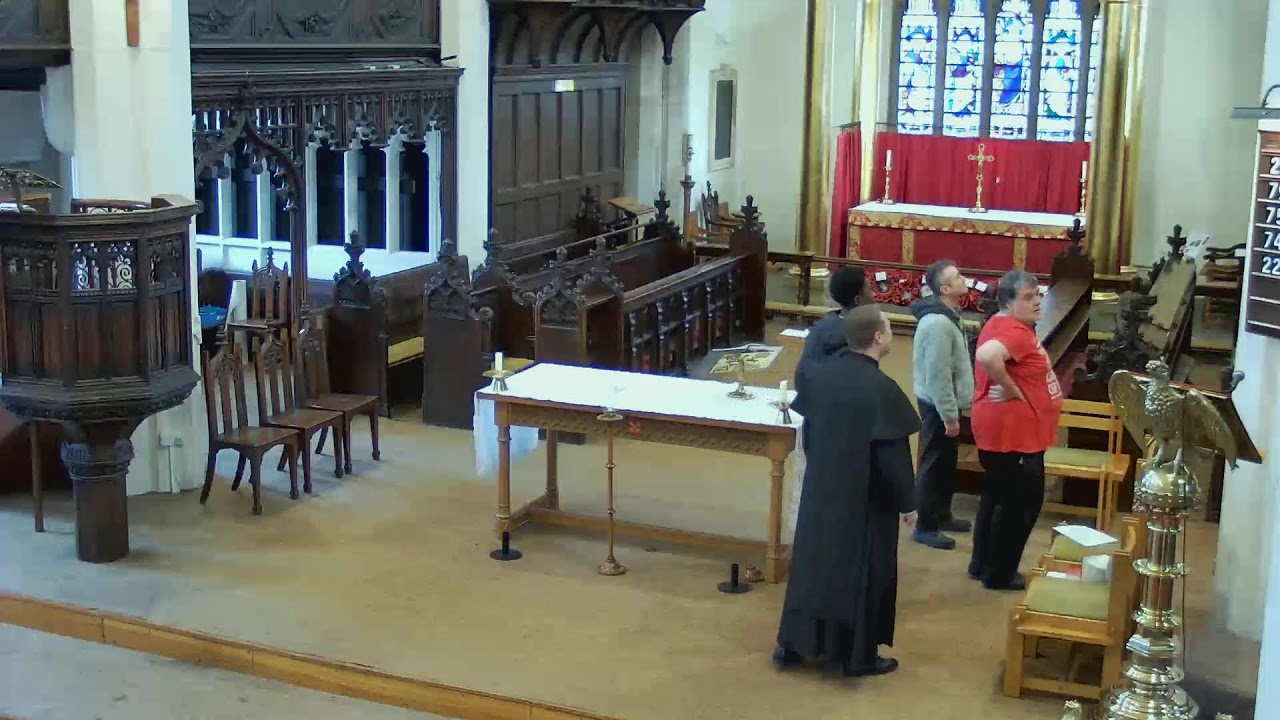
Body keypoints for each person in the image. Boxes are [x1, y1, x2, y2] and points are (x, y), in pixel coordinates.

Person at [774, 305, 921, 677]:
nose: (890, 331)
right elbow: (892, 456)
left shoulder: (821, 377)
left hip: (822, 491)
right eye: (888, 327)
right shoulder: (882, 389)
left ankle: (796, 643)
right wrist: (908, 502)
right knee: (864, 575)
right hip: (865, 501)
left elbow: (810, 432)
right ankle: (859, 656)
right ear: (878, 338)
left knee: (812, 568)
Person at [967, 270, 1063, 591]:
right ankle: (1000, 573)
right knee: (1021, 503)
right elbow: (986, 356)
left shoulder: (1003, 323)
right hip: (1014, 435)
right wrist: (1009, 388)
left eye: (1038, 294)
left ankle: (982, 563)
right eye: (1027, 297)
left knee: (996, 496)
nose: (1037, 301)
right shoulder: (1015, 331)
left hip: (1006, 431)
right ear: (1008, 302)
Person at [909, 260, 976, 551]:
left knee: (947, 463)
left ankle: (943, 514)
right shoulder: (937, 323)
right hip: (937, 405)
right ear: (945, 289)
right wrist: (949, 415)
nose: (965, 279)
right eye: (958, 277)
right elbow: (937, 374)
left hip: (946, 404)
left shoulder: (948, 314)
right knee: (934, 464)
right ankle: (924, 525)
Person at [798, 266, 876, 365]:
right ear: (858, 300)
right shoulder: (857, 338)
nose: (874, 295)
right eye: (870, 290)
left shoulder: (825, 322)